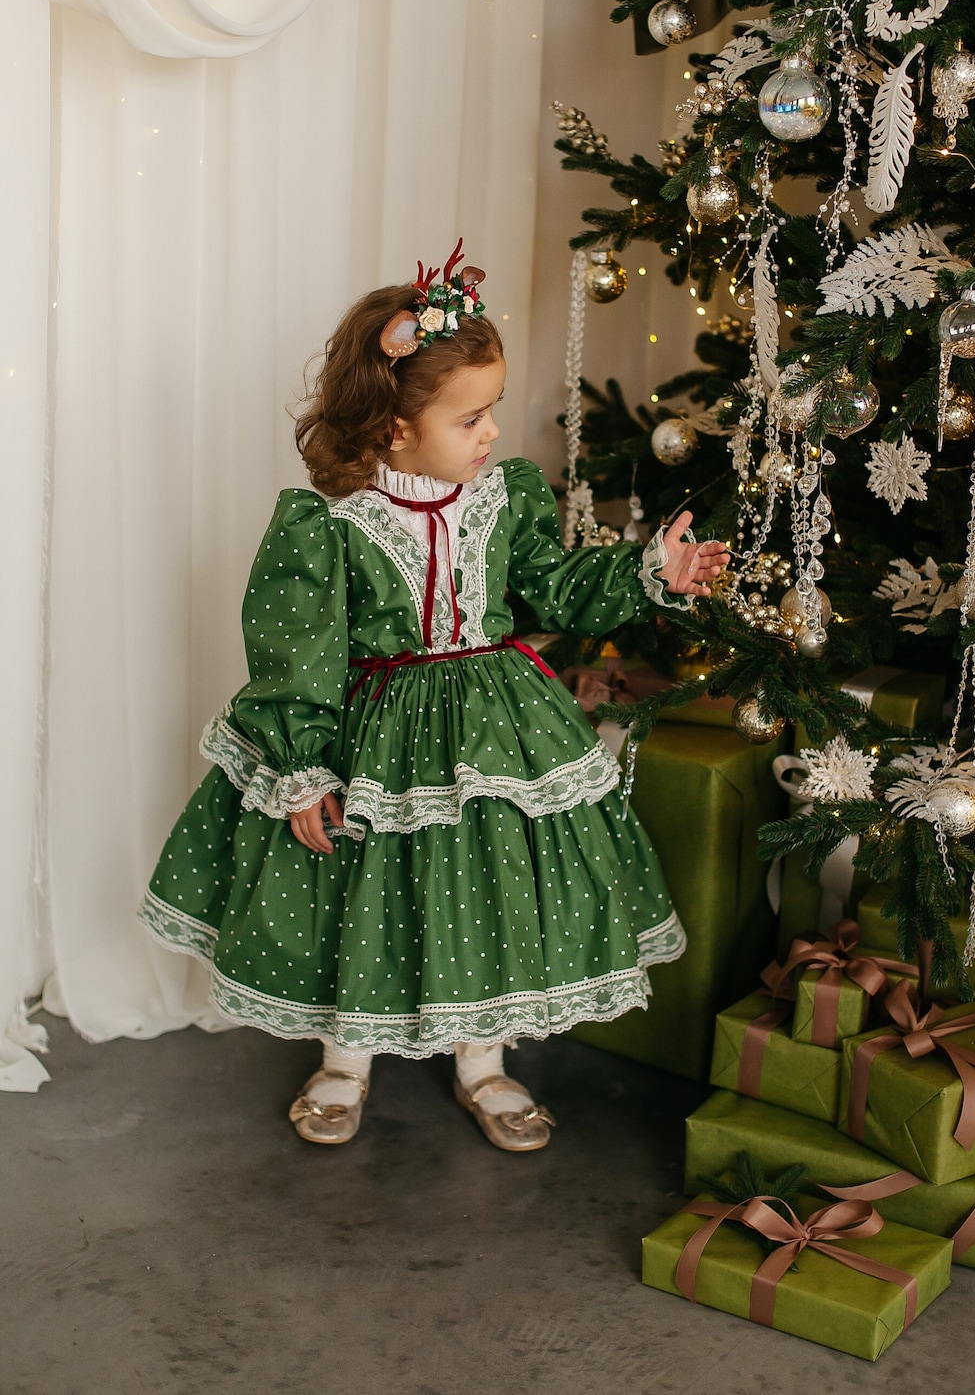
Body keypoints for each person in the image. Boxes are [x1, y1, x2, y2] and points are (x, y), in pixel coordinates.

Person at [139, 243, 729, 1150]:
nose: (492, 432)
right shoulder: (329, 525)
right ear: (391, 429)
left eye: (491, 410)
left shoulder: (506, 498)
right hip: (381, 737)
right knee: (361, 891)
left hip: (500, 733)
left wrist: (652, 570)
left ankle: (483, 1064)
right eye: (472, 418)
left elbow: (556, 586)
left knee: (490, 887)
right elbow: (297, 654)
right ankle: (345, 1061)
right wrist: (302, 768)